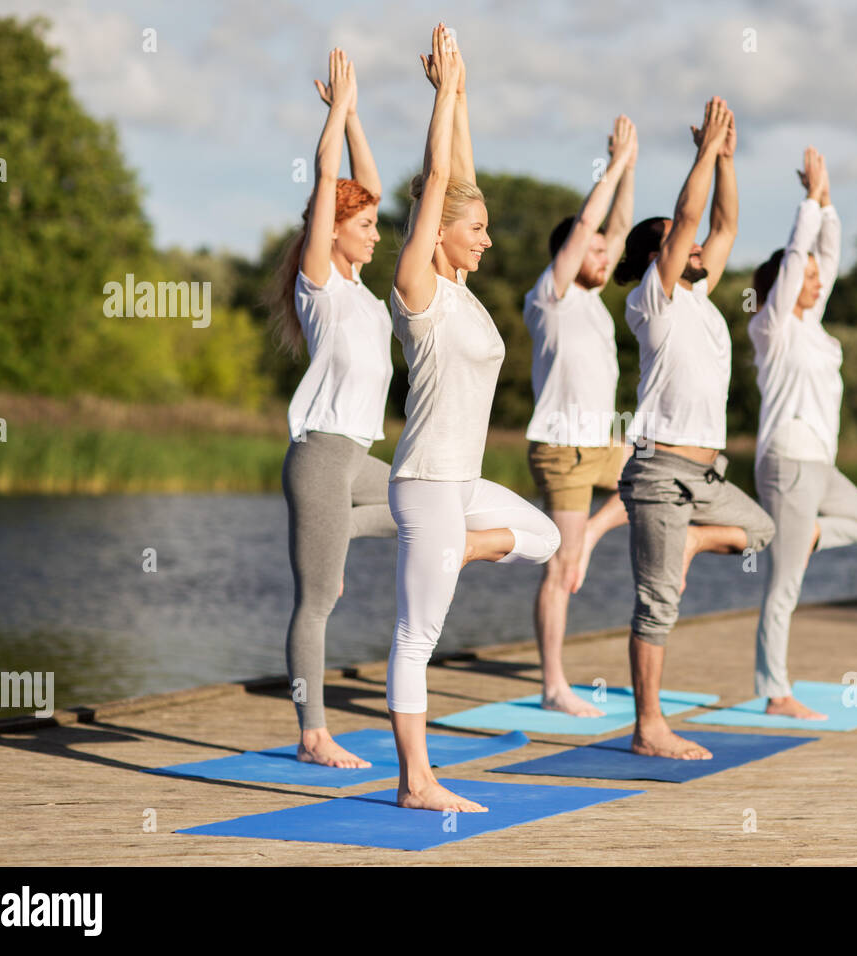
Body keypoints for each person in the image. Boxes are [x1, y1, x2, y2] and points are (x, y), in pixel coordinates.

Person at [388, 25, 561, 812]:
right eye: (477, 228)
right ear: (440, 233)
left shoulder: (460, 294)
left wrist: (462, 91)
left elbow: (457, 173)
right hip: (425, 481)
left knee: (550, 538)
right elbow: (437, 177)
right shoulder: (419, 295)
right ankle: (415, 781)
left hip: (459, 486)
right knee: (416, 636)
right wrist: (441, 95)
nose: (488, 239)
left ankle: (463, 550)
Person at [611, 97, 775, 760]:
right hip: (658, 472)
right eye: (687, 246)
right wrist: (702, 151)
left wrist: (728, 159)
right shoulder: (652, 297)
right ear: (661, 256)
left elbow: (724, 220)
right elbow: (688, 218)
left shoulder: (701, 298)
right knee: (657, 608)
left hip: (706, 476)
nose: (704, 245)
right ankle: (648, 726)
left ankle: (691, 544)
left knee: (763, 530)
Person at [266, 48, 396, 769]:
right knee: (318, 599)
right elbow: (331, 182)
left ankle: (342, 530)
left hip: (360, 460)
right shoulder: (321, 286)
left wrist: (358, 117)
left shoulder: (368, 296)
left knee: (428, 501)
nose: (378, 231)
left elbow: (363, 184)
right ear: (335, 227)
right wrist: (336, 112)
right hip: (320, 455)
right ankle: (313, 734)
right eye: (366, 224)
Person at [748, 147, 857, 720]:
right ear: (784, 281)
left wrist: (827, 201)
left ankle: (807, 535)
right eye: (801, 277)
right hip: (787, 461)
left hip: (819, 466)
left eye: (813, 280)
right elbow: (804, 251)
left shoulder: (814, 326)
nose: (813, 281)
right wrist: (806, 203)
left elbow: (826, 253)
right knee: (785, 586)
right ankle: (775, 691)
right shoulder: (773, 326)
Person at [523, 115, 637, 717]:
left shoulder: (594, 301)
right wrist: (613, 165)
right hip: (561, 447)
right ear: (568, 255)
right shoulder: (552, 294)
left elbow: (614, 227)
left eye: (604, 251)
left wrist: (632, 163)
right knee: (561, 566)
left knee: (652, 485)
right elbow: (593, 225)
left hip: (603, 443)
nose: (603, 253)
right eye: (591, 249)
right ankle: (554, 687)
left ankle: (592, 533)